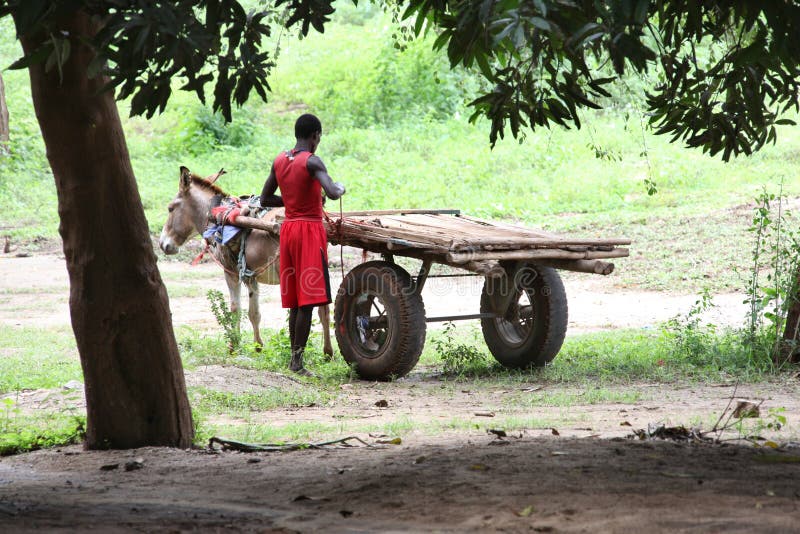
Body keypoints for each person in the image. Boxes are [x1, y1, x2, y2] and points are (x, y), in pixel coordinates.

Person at [260, 114, 345, 375]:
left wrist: (292, 201)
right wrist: (340, 187)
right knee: (308, 299)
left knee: (297, 299)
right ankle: (297, 363)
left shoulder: (280, 160)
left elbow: (265, 199)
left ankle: (294, 358)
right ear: (315, 135)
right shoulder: (312, 161)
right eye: (319, 137)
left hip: (289, 231)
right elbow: (332, 191)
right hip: (308, 231)